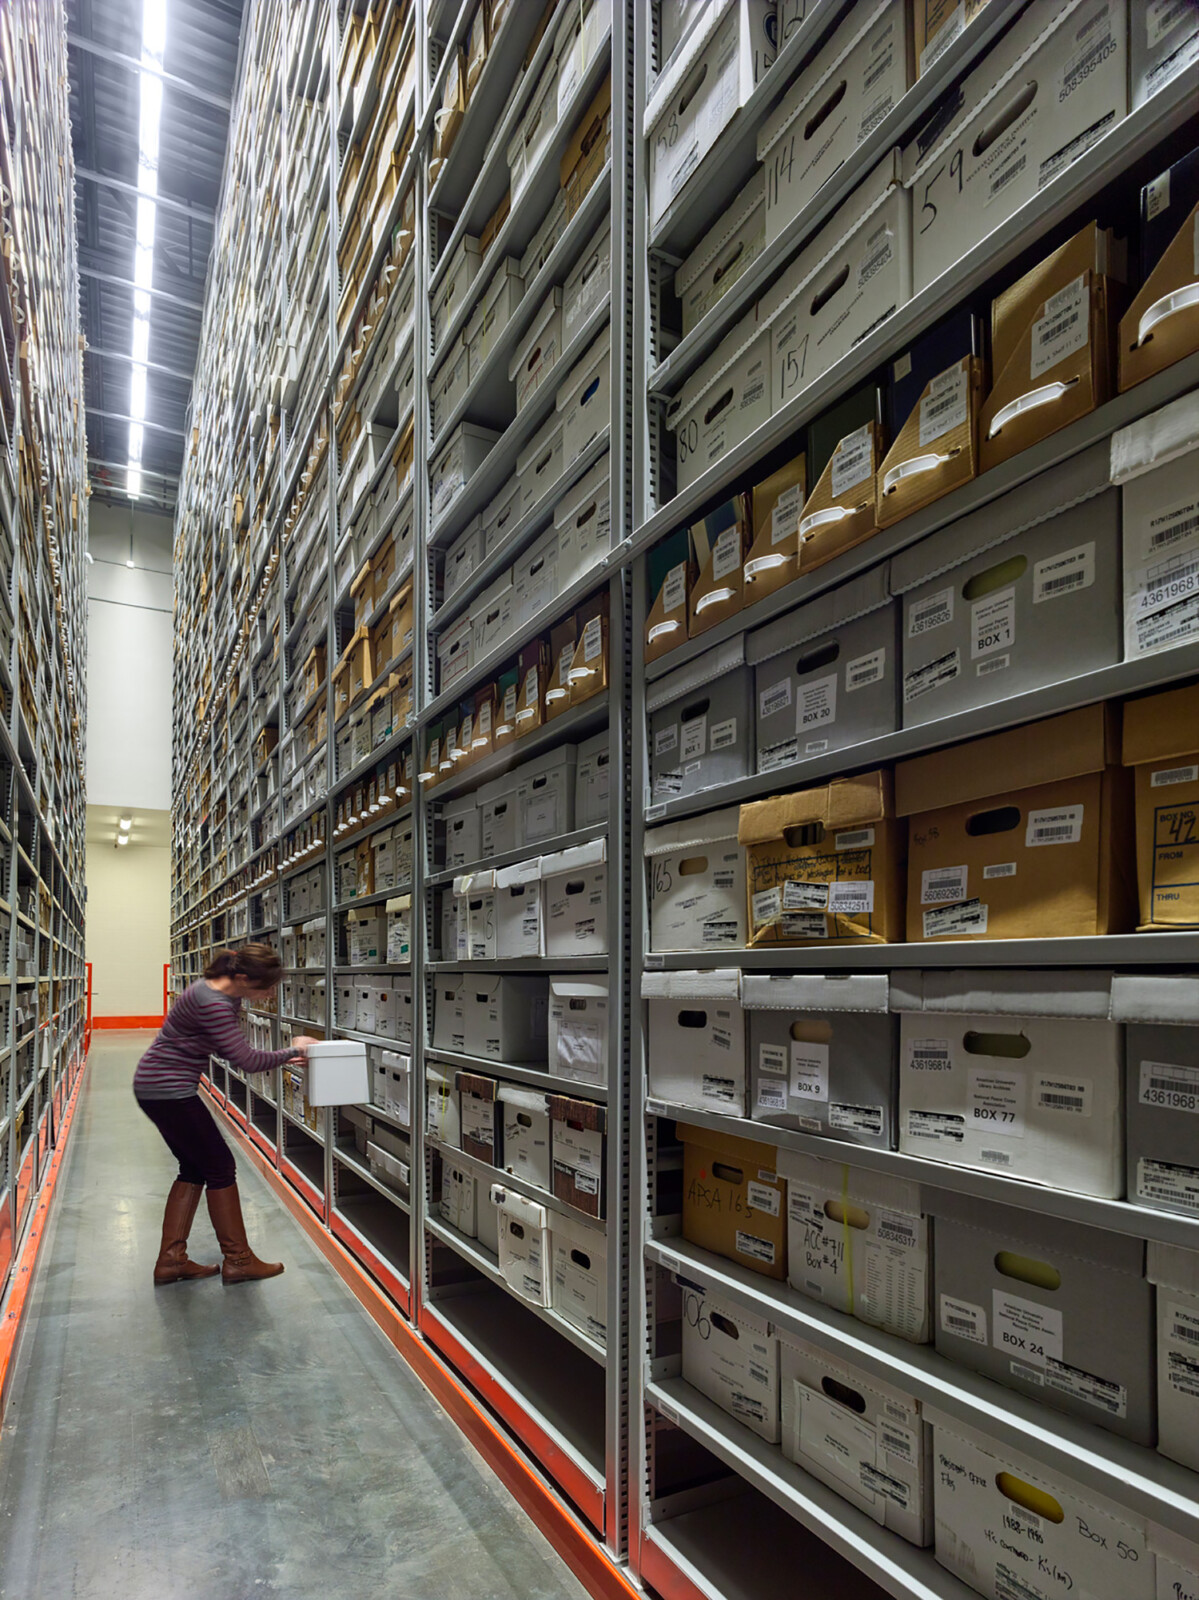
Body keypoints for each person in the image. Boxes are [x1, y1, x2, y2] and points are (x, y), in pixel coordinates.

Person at [133, 943, 320, 1286]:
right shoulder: (215, 1003)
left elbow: (223, 1046)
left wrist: (285, 1056)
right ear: (245, 978)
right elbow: (245, 1062)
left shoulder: (219, 992)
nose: (270, 994)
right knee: (220, 1167)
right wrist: (295, 1050)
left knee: (194, 1167)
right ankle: (239, 1260)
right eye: (266, 988)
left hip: (159, 1088)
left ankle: (171, 1261)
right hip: (168, 1092)